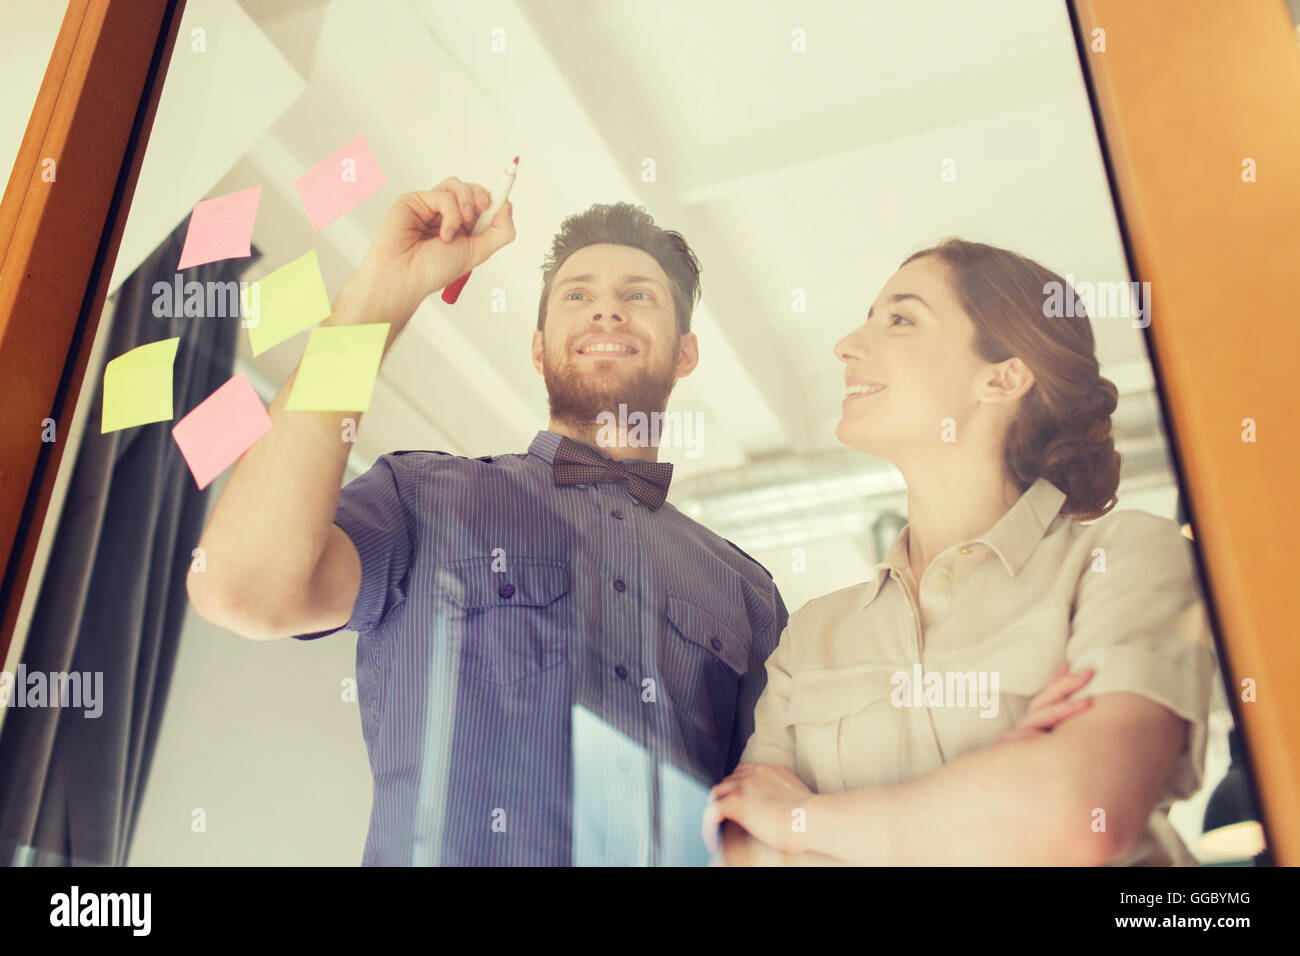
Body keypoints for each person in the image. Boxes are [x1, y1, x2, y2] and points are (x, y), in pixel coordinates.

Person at [707, 238, 1218, 866]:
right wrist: (1000, 786)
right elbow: (742, 847)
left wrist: (803, 819)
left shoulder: (1127, 556)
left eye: (900, 317)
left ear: (1003, 377)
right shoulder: (814, 635)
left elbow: (1081, 818)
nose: (846, 345)